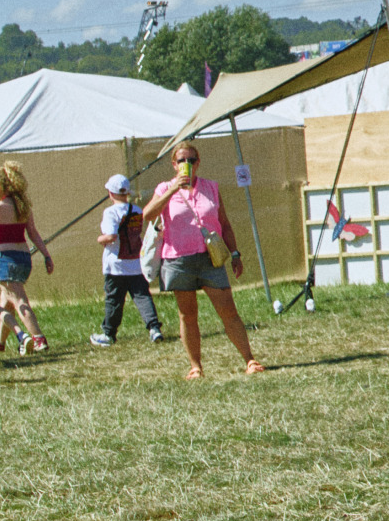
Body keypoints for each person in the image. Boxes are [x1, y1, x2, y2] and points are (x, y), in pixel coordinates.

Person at [141, 142, 266, 378]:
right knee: (187, 315)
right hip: (178, 259)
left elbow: (225, 224)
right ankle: (195, 366)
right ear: (173, 164)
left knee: (228, 310)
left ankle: (249, 359)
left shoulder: (210, 187)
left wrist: (235, 253)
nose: (186, 165)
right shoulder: (165, 188)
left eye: (191, 160)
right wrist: (172, 191)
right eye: (181, 161)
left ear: (198, 163)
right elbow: (147, 215)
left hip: (210, 257)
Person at [92, 174, 166, 346]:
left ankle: (109, 334)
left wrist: (99, 239)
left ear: (110, 193)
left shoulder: (110, 212)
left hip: (115, 265)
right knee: (142, 296)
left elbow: (111, 236)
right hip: (135, 263)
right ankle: (154, 328)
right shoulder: (137, 210)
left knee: (114, 300)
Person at [0, 159, 54, 356]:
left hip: (5, 258)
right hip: (23, 257)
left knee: (19, 300)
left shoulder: (0, 206)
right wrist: (46, 255)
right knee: (6, 300)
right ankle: (1, 343)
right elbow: (33, 233)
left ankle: (38, 338)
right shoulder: (22, 206)